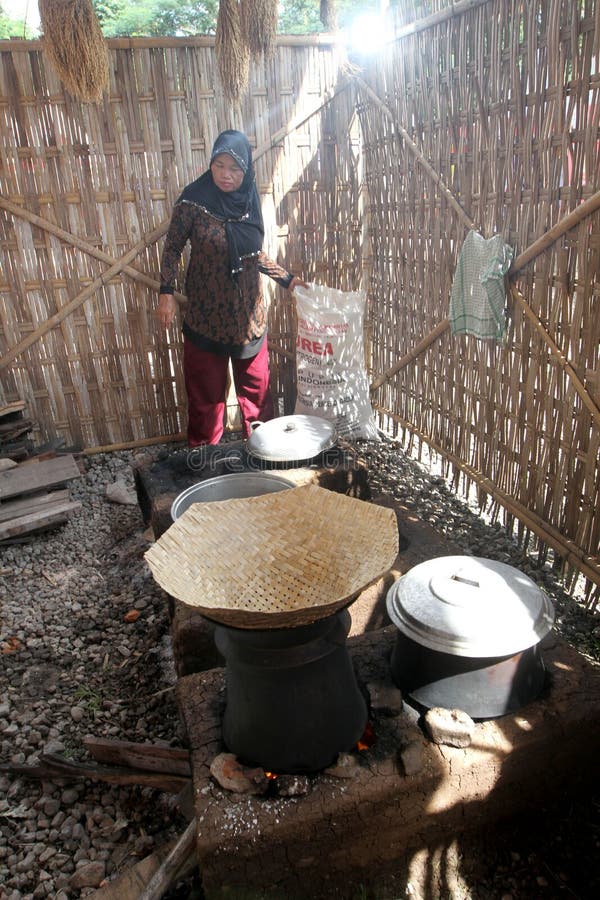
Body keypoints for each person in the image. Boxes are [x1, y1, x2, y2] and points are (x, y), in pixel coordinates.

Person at [157, 129, 306, 446]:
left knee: (258, 399)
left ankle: (265, 460)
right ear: (211, 164)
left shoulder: (248, 199)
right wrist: (166, 292)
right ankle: (204, 461)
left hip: (247, 320)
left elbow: (251, 253)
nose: (226, 175)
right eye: (219, 165)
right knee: (205, 402)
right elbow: (172, 249)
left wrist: (287, 279)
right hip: (204, 318)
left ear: (246, 170)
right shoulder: (193, 201)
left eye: (235, 168)